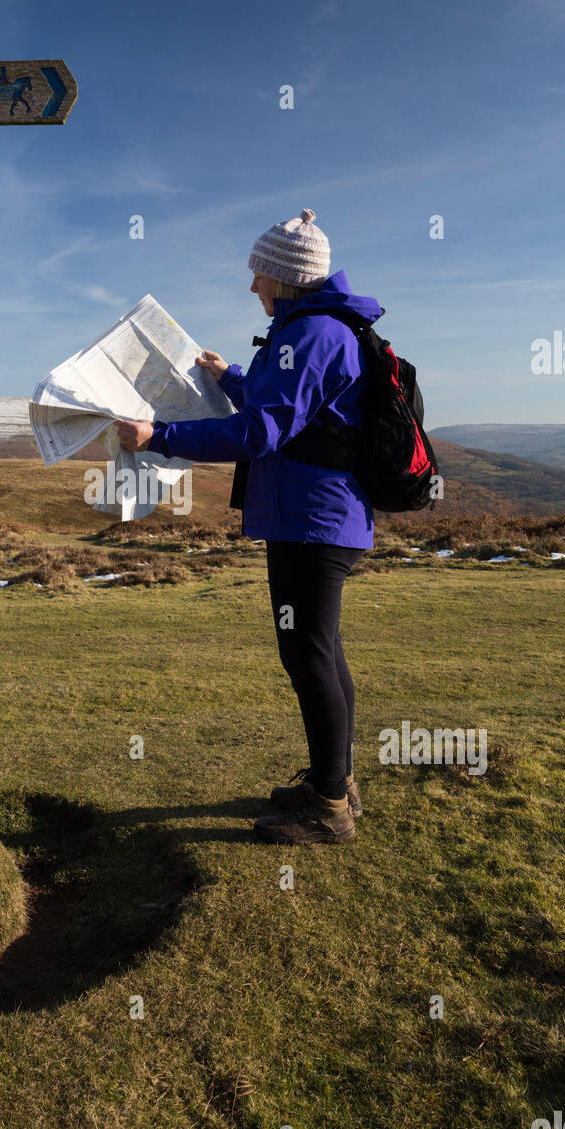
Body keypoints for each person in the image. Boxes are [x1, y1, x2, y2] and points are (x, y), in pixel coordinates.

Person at [115, 208, 382, 845]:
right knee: (322, 650)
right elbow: (286, 407)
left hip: (311, 520)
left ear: (284, 276)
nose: (251, 285)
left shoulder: (309, 333)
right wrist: (230, 375)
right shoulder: (314, 328)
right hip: (320, 517)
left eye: (257, 273)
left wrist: (161, 437)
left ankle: (329, 810)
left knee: (308, 652)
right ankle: (333, 782)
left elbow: (262, 430)